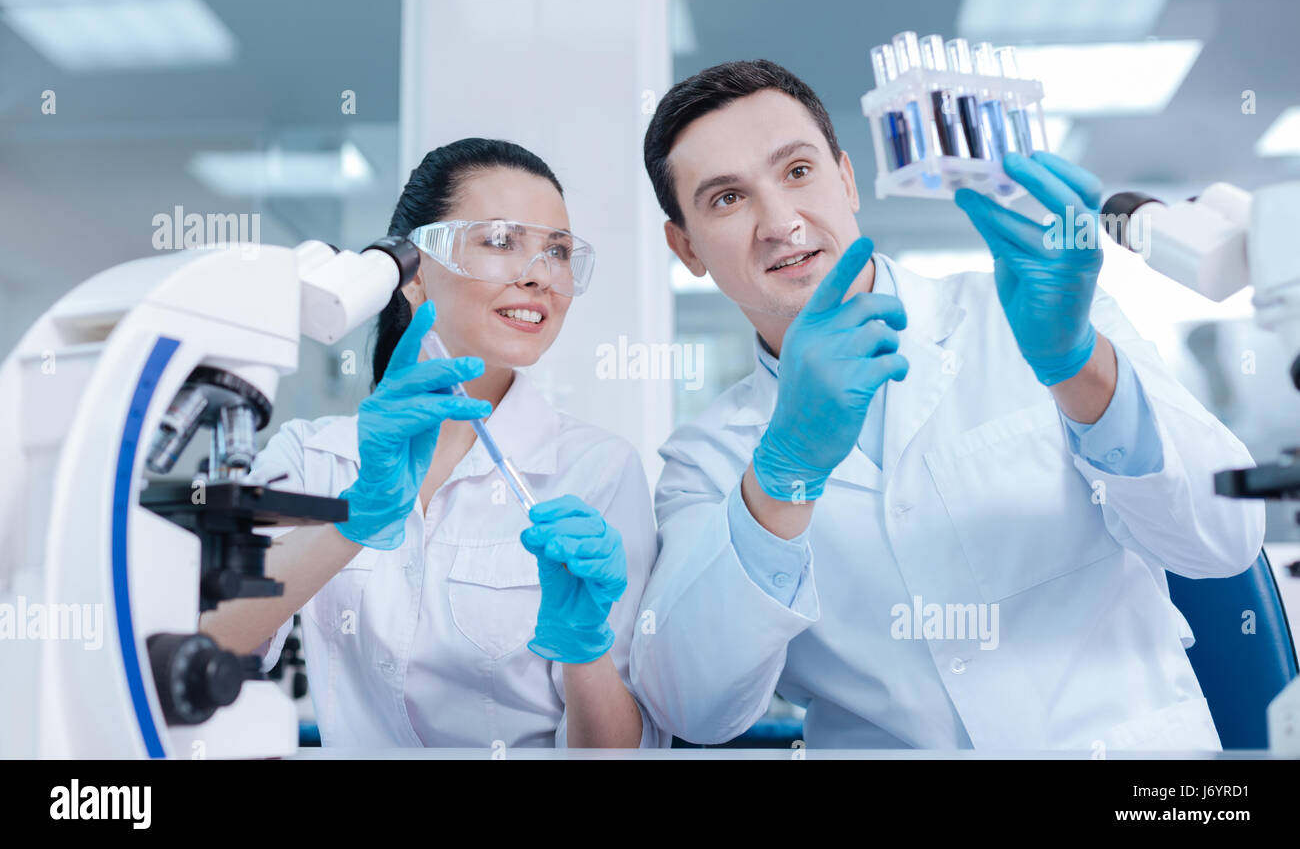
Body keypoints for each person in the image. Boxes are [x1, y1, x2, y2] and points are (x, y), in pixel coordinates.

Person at [629, 60, 1265, 749]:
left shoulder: (1024, 312)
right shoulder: (708, 458)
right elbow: (692, 709)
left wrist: (1079, 367)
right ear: (685, 246)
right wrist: (782, 472)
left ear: (846, 177)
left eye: (798, 171)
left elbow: (1223, 541)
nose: (781, 222)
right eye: (727, 198)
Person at [201, 138, 666, 749]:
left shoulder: (596, 470)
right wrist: (353, 520)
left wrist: (583, 651)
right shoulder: (312, 458)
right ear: (412, 275)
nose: (539, 276)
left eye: (556, 251)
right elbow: (205, 644)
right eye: (501, 241)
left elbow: (619, 753)